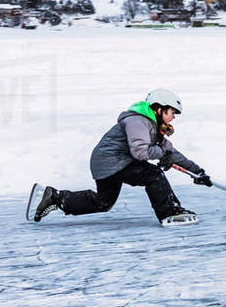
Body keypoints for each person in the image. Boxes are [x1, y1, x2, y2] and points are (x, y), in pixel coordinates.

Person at [27, 89, 212, 227]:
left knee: (103, 202)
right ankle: (169, 212)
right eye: (172, 112)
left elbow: (172, 153)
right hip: (113, 161)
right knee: (153, 174)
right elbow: (139, 152)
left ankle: (54, 197)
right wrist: (162, 154)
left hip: (107, 163)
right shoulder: (138, 121)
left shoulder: (154, 130)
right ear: (159, 109)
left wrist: (197, 172)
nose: (173, 118)